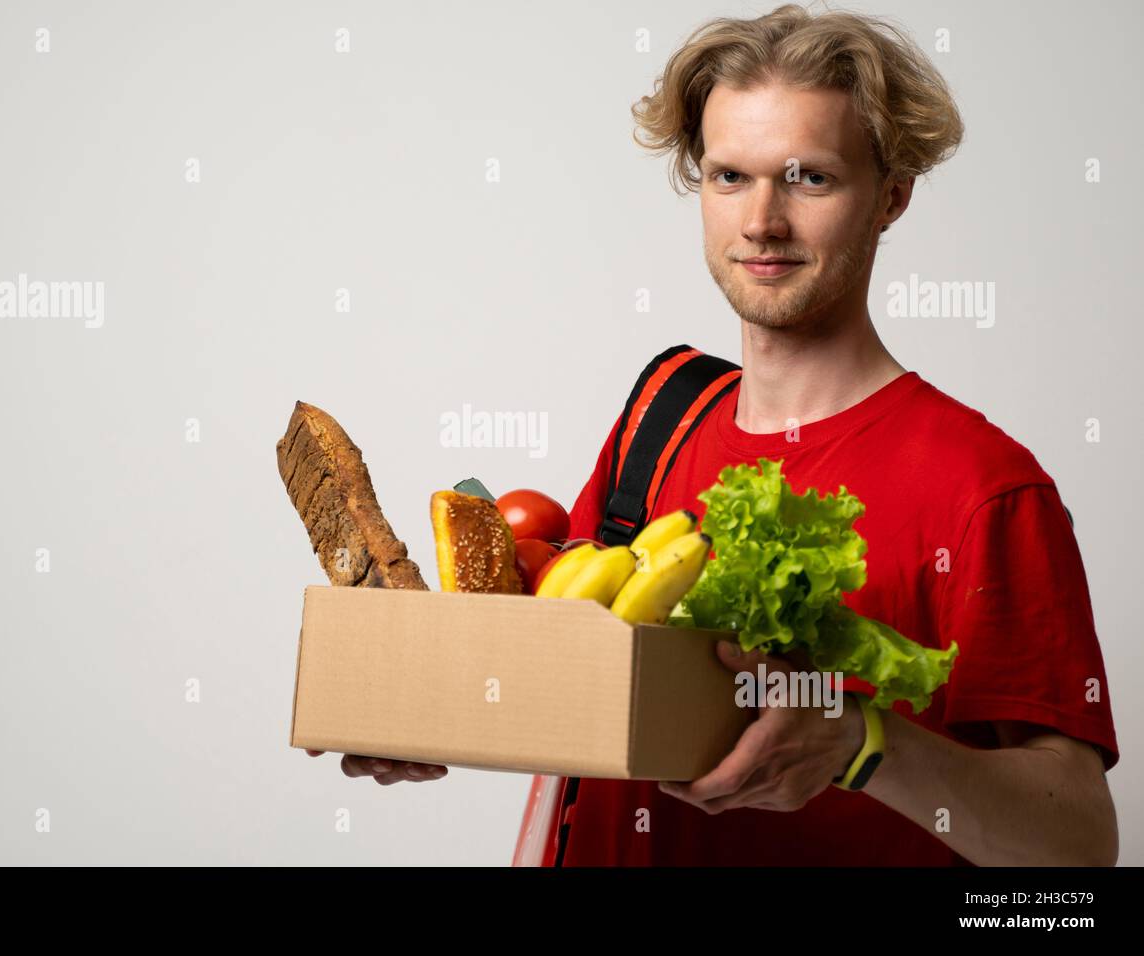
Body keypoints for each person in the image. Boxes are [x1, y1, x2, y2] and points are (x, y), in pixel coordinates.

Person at [308, 3, 1120, 866]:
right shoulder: (663, 412)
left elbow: (1078, 843)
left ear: (892, 196)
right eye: (730, 176)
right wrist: (424, 709)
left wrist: (862, 745)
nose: (762, 221)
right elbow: (585, 693)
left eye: (808, 178)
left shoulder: (982, 488)